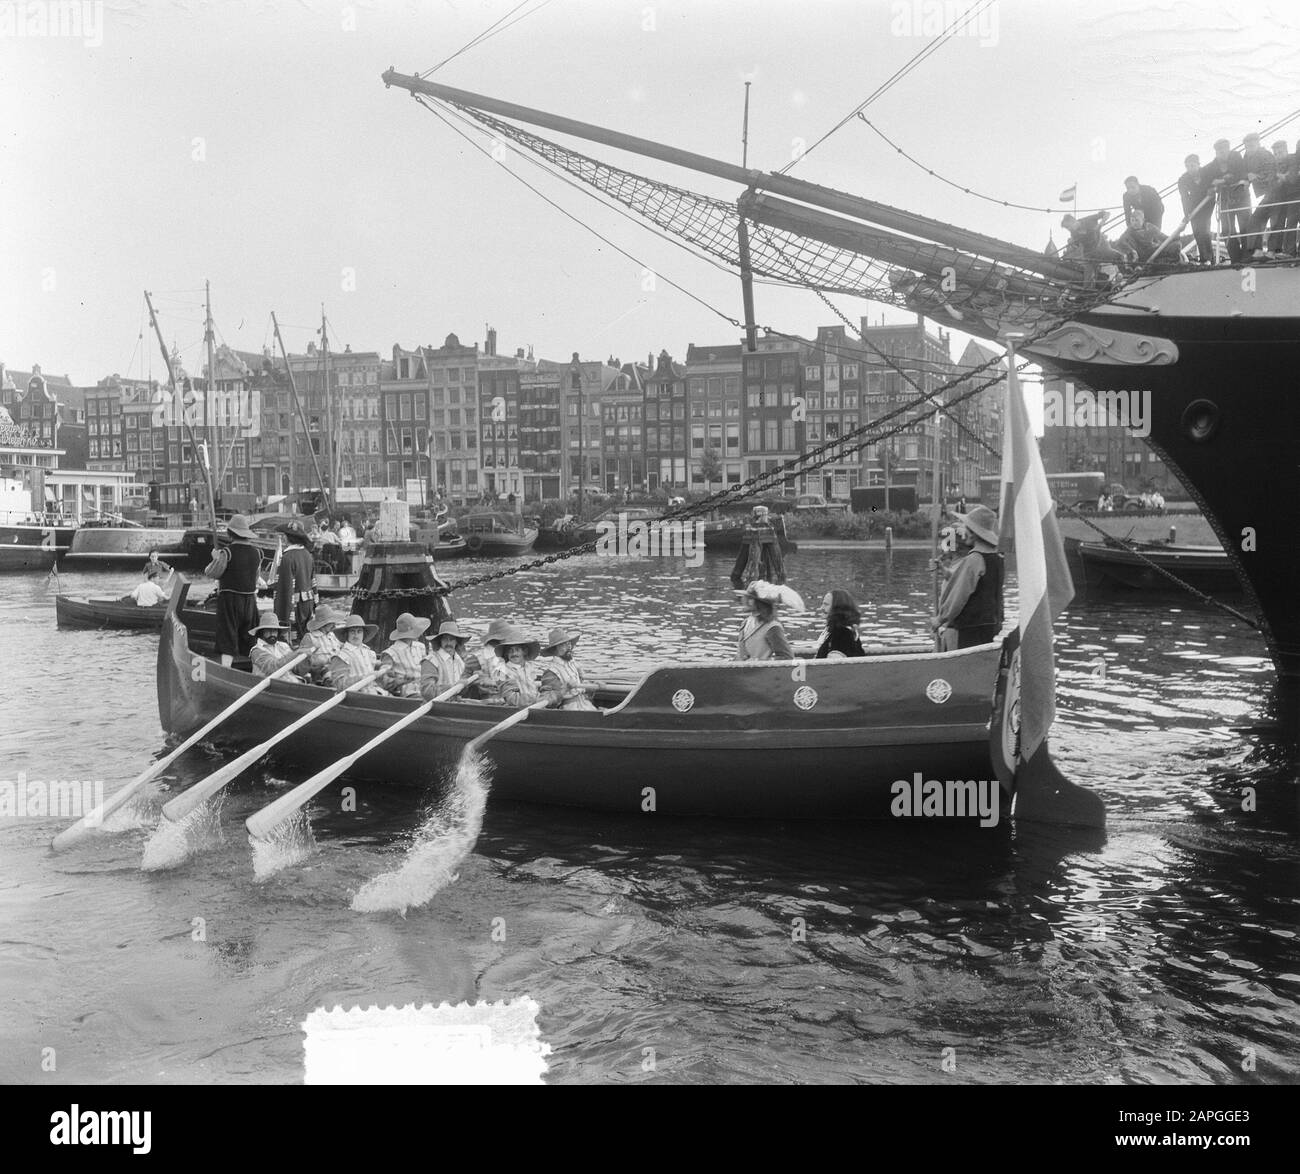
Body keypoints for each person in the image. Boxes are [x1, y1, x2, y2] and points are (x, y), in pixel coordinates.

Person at [930, 505, 1004, 649]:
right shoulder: (998, 557)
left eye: (968, 530)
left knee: (966, 665)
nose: (966, 533)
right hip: (991, 624)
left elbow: (959, 594)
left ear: (975, 533)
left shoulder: (974, 559)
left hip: (971, 627)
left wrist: (940, 619)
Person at [207, 514, 263, 667]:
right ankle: (255, 669)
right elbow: (256, 576)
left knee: (228, 636)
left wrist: (215, 558)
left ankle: (226, 670)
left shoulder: (227, 553)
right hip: (250, 601)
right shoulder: (257, 553)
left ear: (231, 533)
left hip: (230, 600)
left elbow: (212, 573)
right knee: (250, 637)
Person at [1202, 139, 1250, 262]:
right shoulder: (1212, 166)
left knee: (1245, 226)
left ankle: (1246, 256)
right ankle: (1235, 258)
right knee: (1227, 229)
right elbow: (1207, 179)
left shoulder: (1236, 157)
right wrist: (1217, 183)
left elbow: (1240, 174)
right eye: (1219, 150)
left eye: (1224, 149)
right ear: (1216, 152)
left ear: (1229, 149)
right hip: (1225, 199)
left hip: (1241, 197)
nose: (1222, 152)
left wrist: (1222, 181)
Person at [538, 626, 599, 711]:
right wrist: (565, 689)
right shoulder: (551, 672)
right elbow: (547, 701)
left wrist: (594, 686)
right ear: (555, 649)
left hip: (585, 705)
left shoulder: (573, 665)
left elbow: (582, 688)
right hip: (569, 711)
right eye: (563, 644)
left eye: (568, 643)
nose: (569, 646)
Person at [275, 520, 317, 639]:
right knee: (304, 636)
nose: (283, 539)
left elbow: (286, 588)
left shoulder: (287, 557)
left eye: (284, 536)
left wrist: (283, 613)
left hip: (294, 606)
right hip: (307, 604)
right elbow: (313, 581)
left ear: (288, 538)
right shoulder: (308, 555)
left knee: (291, 639)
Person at [735, 580, 795, 661]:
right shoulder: (745, 623)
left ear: (760, 603)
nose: (745, 601)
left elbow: (787, 658)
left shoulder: (772, 628)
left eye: (750, 598)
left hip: (759, 672)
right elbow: (740, 655)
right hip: (743, 672)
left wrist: (760, 661)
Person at [328, 614, 388, 693]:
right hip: (355, 697)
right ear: (347, 634)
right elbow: (340, 685)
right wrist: (362, 678)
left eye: (359, 631)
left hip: (373, 693)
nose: (356, 635)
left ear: (363, 634)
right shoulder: (341, 656)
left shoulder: (369, 653)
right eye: (352, 631)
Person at [379, 612, 431, 698]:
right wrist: (403, 680)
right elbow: (385, 683)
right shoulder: (390, 653)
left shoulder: (420, 647)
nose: (420, 633)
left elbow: (427, 670)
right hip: (409, 692)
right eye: (416, 630)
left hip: (426, 687)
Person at [463, 617, 513, 704]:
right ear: (501, 639)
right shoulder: (475, 660)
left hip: (507, 700)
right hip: (488, 705)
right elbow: (463, 685)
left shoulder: (507, 656)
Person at [420, 619, 473, 698]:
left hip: (456, 702)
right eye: (445, 639)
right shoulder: (430, 661)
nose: (448, 643)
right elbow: (427, 692)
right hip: (438, 705)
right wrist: (453, 687)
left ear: (456, 642)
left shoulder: (460, 661)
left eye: (451, 639)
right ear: (440, 641)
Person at [1178, 154, 1215, 264]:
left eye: (1193, 165)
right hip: (1194, 206)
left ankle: (1208, 258)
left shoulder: (1207, 172)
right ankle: (1205, 259)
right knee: (1197, 231)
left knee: (1204, 228)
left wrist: (1211, 189)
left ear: (1198, 165)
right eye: (1188, 166)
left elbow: (1214, 181)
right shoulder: (1183, 179)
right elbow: (1184, 198)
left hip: (1207, 202)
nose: (1190, 169)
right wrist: (1187, 214)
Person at [493, 625, 543, 706]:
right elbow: (512, 699)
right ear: (506, 653)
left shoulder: (529, 667)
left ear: (525, 652)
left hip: (534, 705)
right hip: (513, 708)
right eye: (510, 651)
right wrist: (537, 701)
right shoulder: (501, 671)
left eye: (517, 650)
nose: (514, 654)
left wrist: (543, 697)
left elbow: (534, 689)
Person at [248, 612, 304, 679]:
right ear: (262, 632)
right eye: (268, 630)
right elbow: (273, 667)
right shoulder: (256, 651)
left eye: (274, 630)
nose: (272, 634)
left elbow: (297, 669)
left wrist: (307, 658)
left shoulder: (283, 646)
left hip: (292, 683)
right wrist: (297, 652)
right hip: (269, 688)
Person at [815, 589, 866, 659]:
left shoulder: (843, 634)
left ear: (838, 608)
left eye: (826, 604)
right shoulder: (840, 631)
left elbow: (836, 666)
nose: (821, 608)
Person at [298, 605, 343, 683]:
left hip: (339, 670)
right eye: (331, 622)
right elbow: (303, 663)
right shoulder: (310, 637)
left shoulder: (332, 635)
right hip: (322, 676)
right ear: (324, 624)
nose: (334, 625)